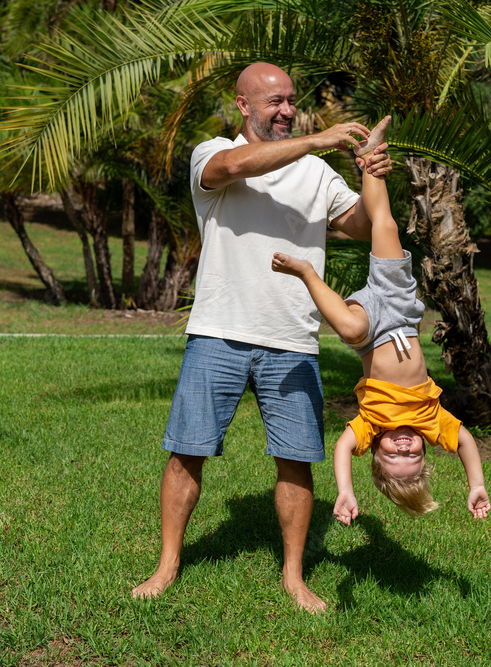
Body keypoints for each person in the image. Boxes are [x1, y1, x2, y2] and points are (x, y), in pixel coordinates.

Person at [131, 62, 393, 614]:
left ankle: (294, 576)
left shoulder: (318, 177)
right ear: (243, 105)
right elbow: (234, 165)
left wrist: (374, 171)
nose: (287, 110)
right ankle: (167, 564)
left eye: (291, 100)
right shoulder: (212, 153)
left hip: (293, 339)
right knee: (187, 453)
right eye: (274, 101)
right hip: (218, 332)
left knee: (296, 460)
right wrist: (317, 140)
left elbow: (363, 227)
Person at [271, 116, 491, 525]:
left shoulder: (371, 425)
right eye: (412, 453)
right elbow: (463, 440)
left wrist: (345, 490)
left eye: (394, 454)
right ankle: (371, 154)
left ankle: (306, 273)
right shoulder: (431, 422)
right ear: (424, 449)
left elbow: (340, 448)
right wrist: (475, 483)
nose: (404, 446)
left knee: (351, 329)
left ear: (376, 450)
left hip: (371, 329)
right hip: (401, 313)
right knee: (385, 224)